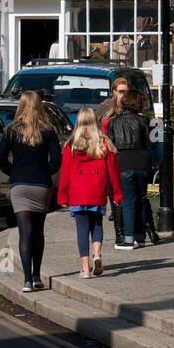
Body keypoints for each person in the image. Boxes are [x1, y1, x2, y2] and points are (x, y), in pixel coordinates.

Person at [0, 90, 62, 293]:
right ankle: (36, 275)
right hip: (41, 185)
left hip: (20, 186)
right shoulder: (48, 130)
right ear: (39, 106)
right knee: (38, 232)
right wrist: (45, 172)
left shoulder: (11, 130)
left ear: (21, 105)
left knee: (25, 233)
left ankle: (26, 281)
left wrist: (13, 172)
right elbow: (56, 160)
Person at [57, 108, 123, 279]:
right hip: (97, 189)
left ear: (78, 122)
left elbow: (64, 173)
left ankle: (85, 269)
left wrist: (63, 195)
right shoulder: (104, 143)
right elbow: (113, 172)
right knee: (97, 225)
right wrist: (117, 194)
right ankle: (98, 256)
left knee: (82, 229)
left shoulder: (70, 145)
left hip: (78, 192)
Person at [106, 89, 153, 249]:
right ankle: (140, 236)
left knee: (128, 201)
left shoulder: (113, 122)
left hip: (123, 162)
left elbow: (110, 145)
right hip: (142, 161)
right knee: (141, 199)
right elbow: (151, 143)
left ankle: (128, 238)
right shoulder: (145, 121)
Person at [98, 77, 131, 246]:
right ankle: (120, 236)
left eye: (126, 92)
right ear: (113, 93)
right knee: (116, 198)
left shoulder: (132, 109)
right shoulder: (105, 111)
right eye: (120, 92)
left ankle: (130, 233)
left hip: (128, 158)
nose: (123, 95)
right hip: (110, 159)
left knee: (129, 198)